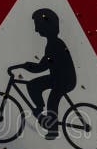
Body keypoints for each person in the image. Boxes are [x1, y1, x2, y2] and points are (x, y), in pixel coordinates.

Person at [8, 8, 76, 139]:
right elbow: (45, 63)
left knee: (52, 100)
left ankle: (53, 129)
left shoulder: (55, 44)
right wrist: (27, 66)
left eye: (38, 25)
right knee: (33, 85)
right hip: (56, 77)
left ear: (48, 25)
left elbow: (43, 66)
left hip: (65, 80)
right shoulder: (51, 43)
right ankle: (39, 110)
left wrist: (27, 66)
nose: (36, 30)